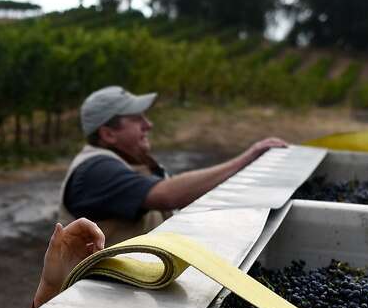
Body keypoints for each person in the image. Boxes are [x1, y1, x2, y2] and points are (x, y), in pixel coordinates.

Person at [59, 85, 289, 246]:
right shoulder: (95, 171)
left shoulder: (131, 162)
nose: (148, 125)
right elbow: (167, 196)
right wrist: (245, 159)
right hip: (98, 298)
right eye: (137, 119)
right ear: (108, 134)